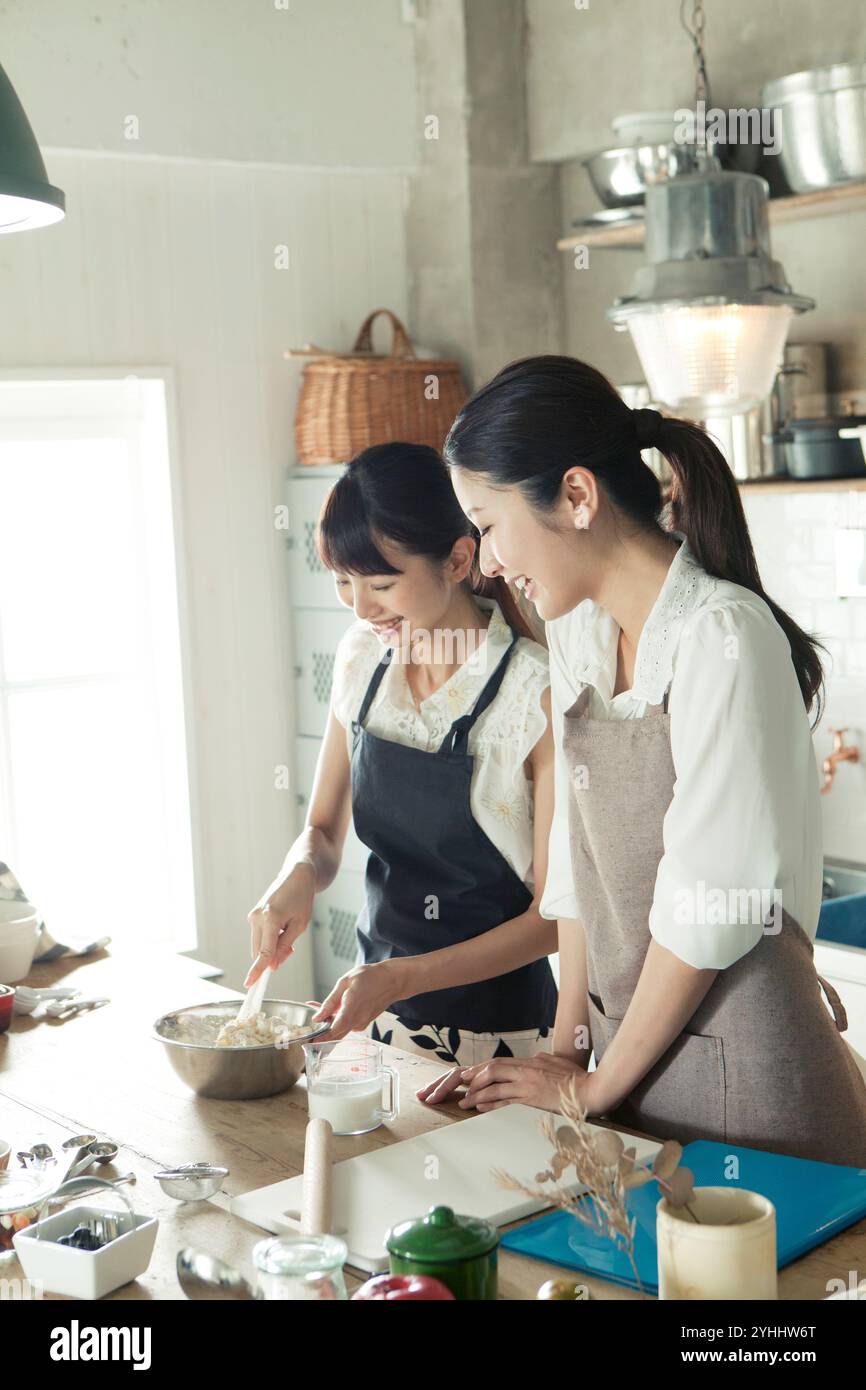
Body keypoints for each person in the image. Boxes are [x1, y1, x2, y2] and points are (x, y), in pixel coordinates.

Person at [419, 353, 866, 1167]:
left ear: (578, 497)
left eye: (488, 524)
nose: (485, 563)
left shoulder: (721, 638)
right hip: (636, 1086)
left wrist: (592, 1089)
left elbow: (707, 910)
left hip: (759, 1108)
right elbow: (577, 873)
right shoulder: (581, 633)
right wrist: (566, 1060)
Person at [245, 442, 558, 1066]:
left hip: (502, 1045)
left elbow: (553, 918)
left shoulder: (533, 691)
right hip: (373, 1021)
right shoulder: (362, 659)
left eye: (382, 583)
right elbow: (322, 831)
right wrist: (298, 875)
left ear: (459, 558)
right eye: (342, 581)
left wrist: (404, 976)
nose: (361, 608)